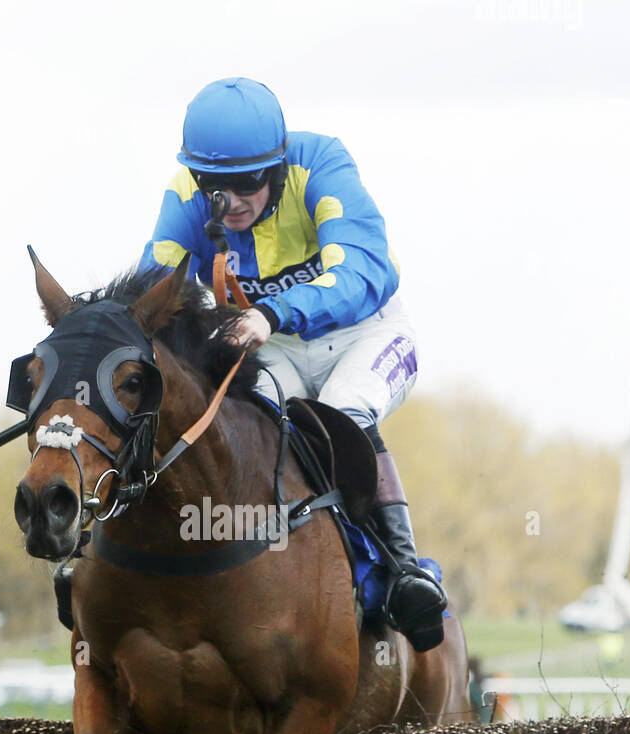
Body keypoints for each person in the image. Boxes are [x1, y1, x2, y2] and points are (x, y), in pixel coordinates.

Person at [138, 77, 449, 651]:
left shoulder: (321, 164)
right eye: (214, 187)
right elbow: (154, 286)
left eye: (247, 183)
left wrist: (272, 313)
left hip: (365, 332)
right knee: (253, 429)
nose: (229, 203)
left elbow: (363, 272)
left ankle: (404, 570)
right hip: (274, 345)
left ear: (277, 168)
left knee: (340, 412)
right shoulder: (184, 191)